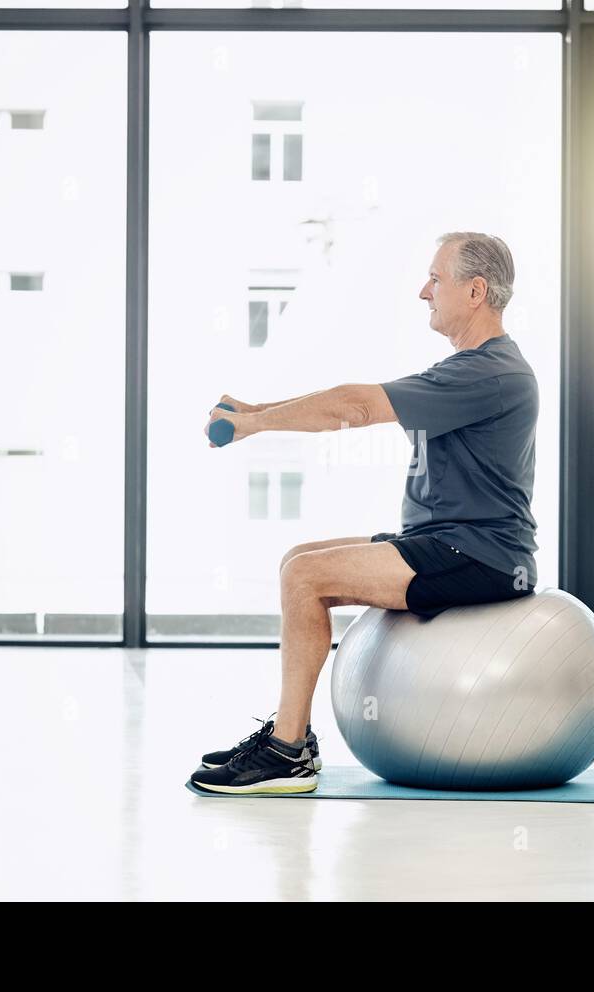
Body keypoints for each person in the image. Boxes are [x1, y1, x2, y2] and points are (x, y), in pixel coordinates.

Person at [189, 231, 539, 795]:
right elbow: (352, 401)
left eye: (435, 279)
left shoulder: (489, 373)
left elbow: (354, 407)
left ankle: (286, 750)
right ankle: (293, 738)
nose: (423, 291)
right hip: (444, 540)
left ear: (475, 291)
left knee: (307, 577)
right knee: (298, 559)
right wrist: (253, 409)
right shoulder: (471, 369)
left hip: (480, 554)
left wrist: (252, 425)